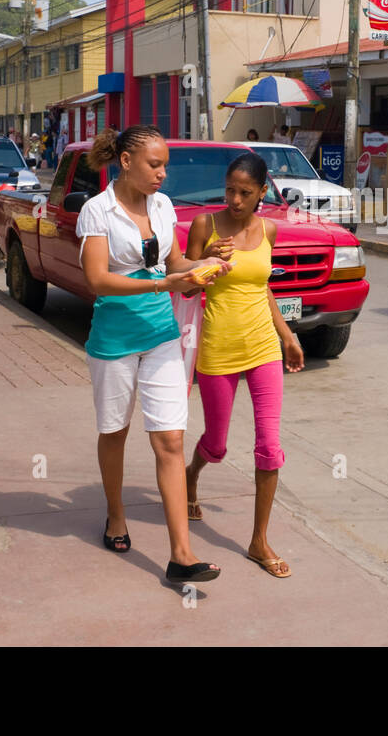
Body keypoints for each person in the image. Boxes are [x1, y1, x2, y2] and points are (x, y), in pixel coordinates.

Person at [76, 125, 231, 583]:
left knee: (170, 440)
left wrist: (203, 265)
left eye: (165, 165)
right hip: (114, 340)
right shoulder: (97, 210)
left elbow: (174, 263)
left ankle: (181, 554)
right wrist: (165, 283)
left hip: (162, 334)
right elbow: (98, 280)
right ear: (126, 162)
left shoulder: (163, 207)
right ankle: (116, 513)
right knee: (115, 432)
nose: (163, 174)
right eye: (154, 164)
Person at [184, 152, 305, 579]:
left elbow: (262, 287)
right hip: (218, 349)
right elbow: (182, 286)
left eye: (245, 192)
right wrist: (204, 262)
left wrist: (287, 337)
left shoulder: (268, 228)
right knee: (216, 444)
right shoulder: (205, 226)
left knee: (269, 446)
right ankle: (191, 476)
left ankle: (258, 540)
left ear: (261, 192)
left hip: (263, 349)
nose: (235, 200)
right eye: (230, 190)